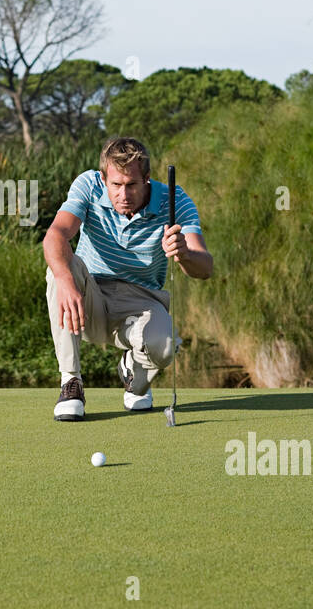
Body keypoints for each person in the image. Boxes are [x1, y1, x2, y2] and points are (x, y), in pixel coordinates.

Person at [43, 136, 212, 420]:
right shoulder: (88, 184)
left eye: (132, 184)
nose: (124, 194)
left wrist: (184, 253)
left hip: (141, 303)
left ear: (147, 178)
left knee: (166, 346)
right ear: (103, 179)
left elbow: (205, 267)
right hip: (90, 298)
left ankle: (133, 372)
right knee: (59, 267)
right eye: (116, 185)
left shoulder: (174, 199)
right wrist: (65, 280)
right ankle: (71, 382)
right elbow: (55, 236)